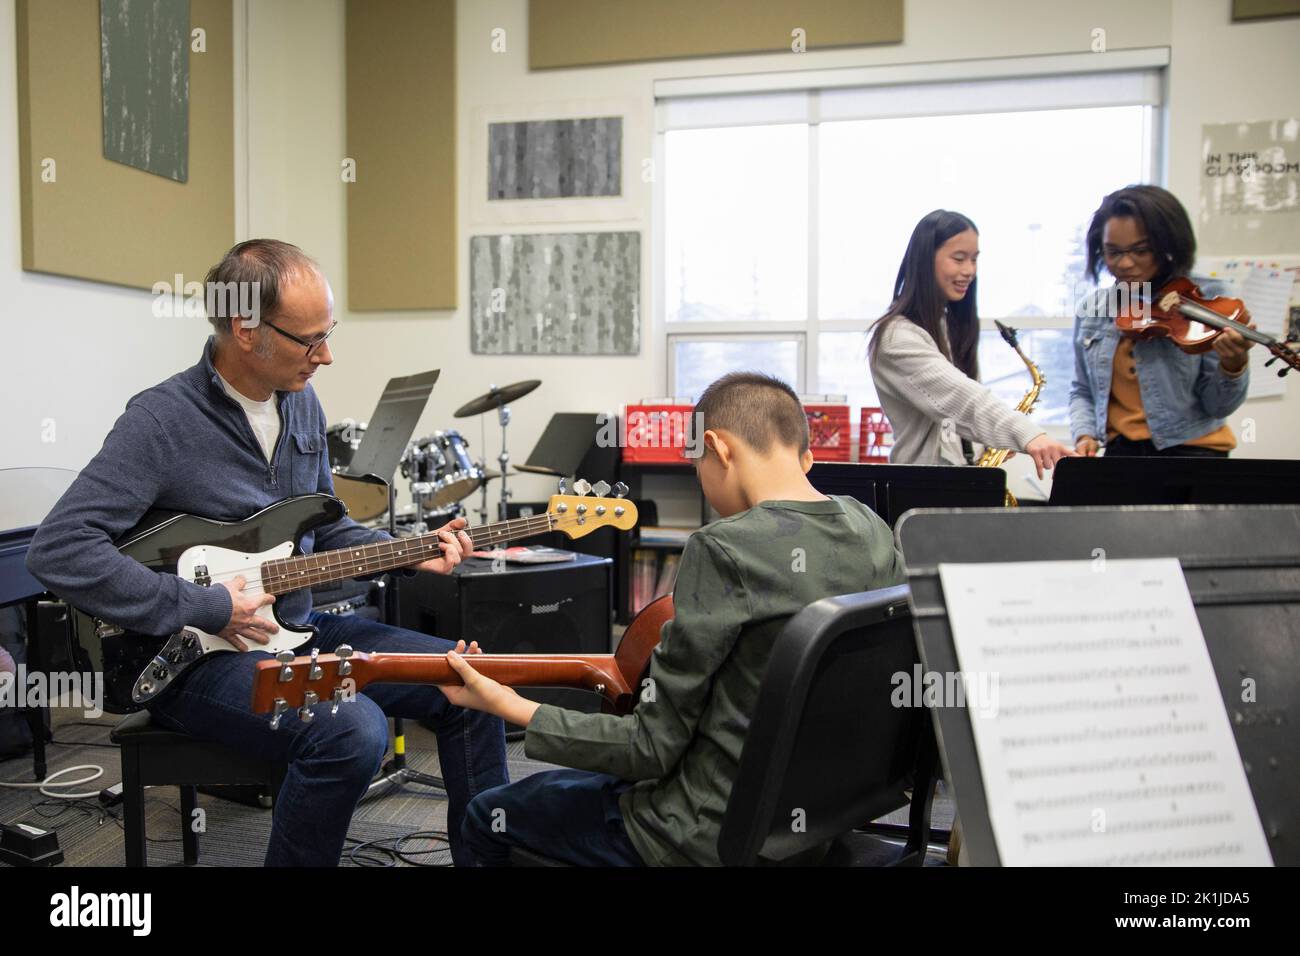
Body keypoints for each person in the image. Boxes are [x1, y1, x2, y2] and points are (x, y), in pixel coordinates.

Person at [26, 239, 508, 866]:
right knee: (351, 727)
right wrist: (204, 604)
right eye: (310, 340)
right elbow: (60, 549)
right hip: (189, 659)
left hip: (293, 629)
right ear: (245, 329)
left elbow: (326, 532)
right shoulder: (161, 421)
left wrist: (408, 553)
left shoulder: (302, 402)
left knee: (469, 677)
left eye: (327, 333)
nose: (326, 355)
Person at [440, 371, 907, 866]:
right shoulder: (871, 529)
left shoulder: (724, 547)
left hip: (708, 834)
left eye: (696, 465)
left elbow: (649, 748)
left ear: (717, 447)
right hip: (819, 819)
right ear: (804, 455)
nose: (701, 482)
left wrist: (508, 704)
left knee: (486, 815)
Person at [868, 209, 1074, 478]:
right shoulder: (897, 338)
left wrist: (985, 443)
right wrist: (1026, 434)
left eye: (974, 260)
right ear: (924, 261)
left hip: (958, 479)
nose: (969, 271)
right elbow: (960, 399)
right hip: (921, 487)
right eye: (958, 259)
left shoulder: (945, 325)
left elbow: (954, 422)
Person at [1069, 184, 1255, 458]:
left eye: (1140, 251)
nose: (1125, 264)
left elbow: (1219, 406)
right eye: (1113, 252)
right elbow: (1082, 389)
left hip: (1195, 453)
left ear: (1168, 245)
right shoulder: (1094, 308)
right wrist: (1084, 433)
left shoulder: (1208, 298)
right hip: (1122, 456)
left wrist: (1234, 365)